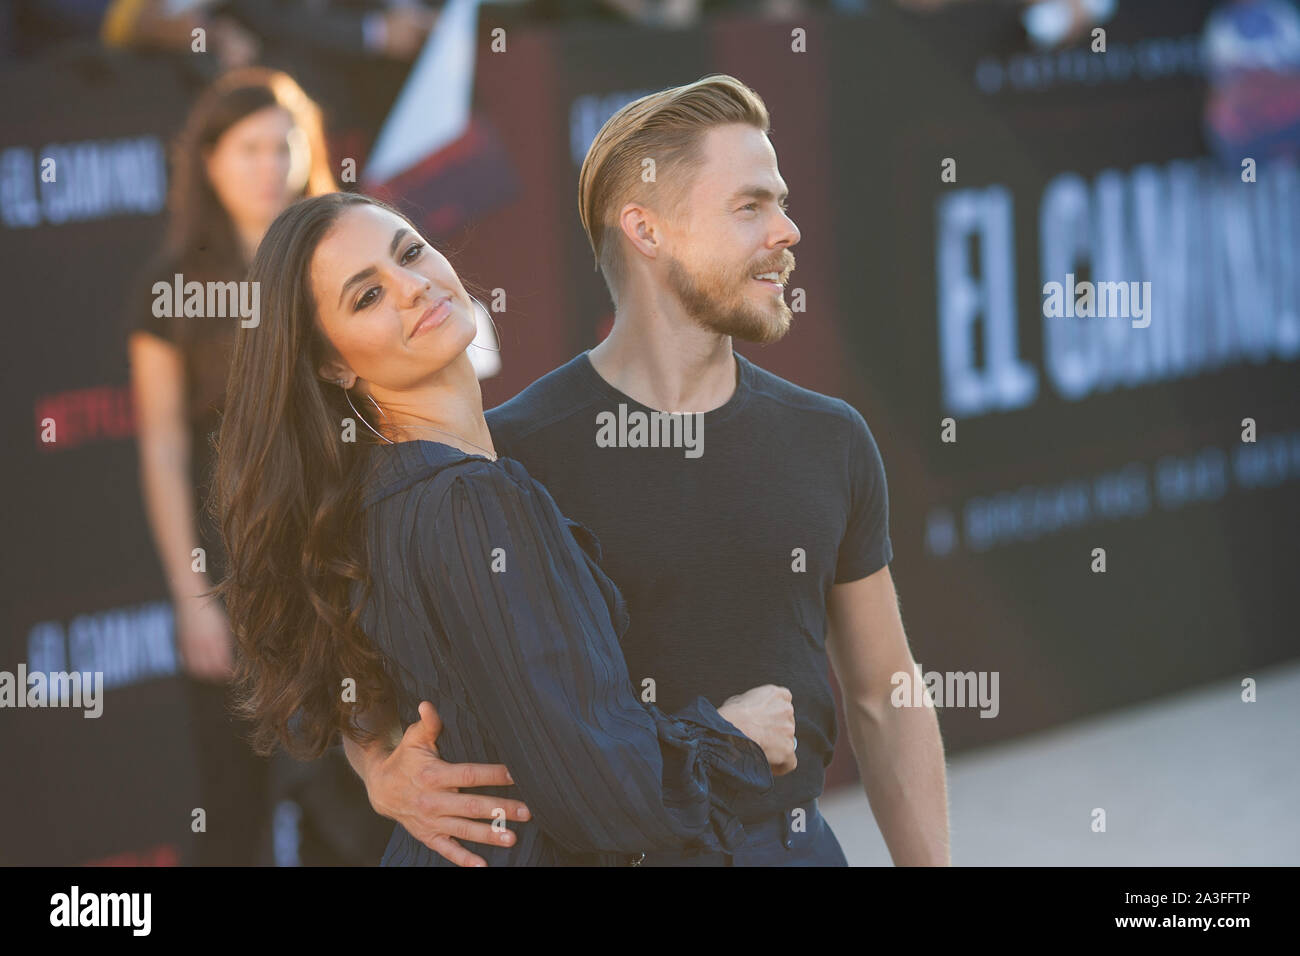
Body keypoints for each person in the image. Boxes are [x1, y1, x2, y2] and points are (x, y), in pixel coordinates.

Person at [343, 74, 951, 866]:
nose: (788, 230)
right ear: (647, 229)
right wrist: (379, 769)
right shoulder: (506, 461)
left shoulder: (829, 440)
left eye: (783, 202)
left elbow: (884, 695)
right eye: (751, 206)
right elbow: (348, 651)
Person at [210, 190, 798, 866]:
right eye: (366, 297)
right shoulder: (472, 503)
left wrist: (380, 770)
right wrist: (734, 737)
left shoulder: (365, 506)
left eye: (409, 253)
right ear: (333, 364)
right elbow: (605, 798)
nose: (411, 287)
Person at [124, 66, 342, 865]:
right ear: (209, 161)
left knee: (355, 800)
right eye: (248, 148)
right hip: (229, 570)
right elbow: (162, 446)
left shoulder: (339, 261)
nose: (268, 165)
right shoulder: (167, 289)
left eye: (283, 146)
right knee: (235, 807)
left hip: (341, 557)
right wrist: (191, 599)